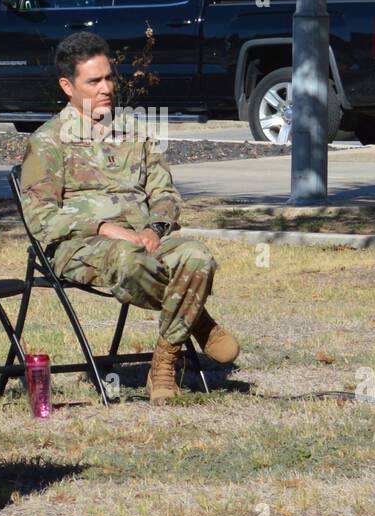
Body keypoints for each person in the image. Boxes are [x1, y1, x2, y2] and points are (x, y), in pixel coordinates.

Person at [19, 32, 239, 404]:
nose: (106, 88)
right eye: (94, 81)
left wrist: (155, 229)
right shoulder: (48, 142)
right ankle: (198, 321)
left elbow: (165, 194)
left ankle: (163, 362)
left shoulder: (135, 133)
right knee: (128, 260)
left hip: (146, 238)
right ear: (66, 86)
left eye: (108, 78)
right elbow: (40, 218)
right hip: (82, 246)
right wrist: (104, 228)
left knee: (197, 257)